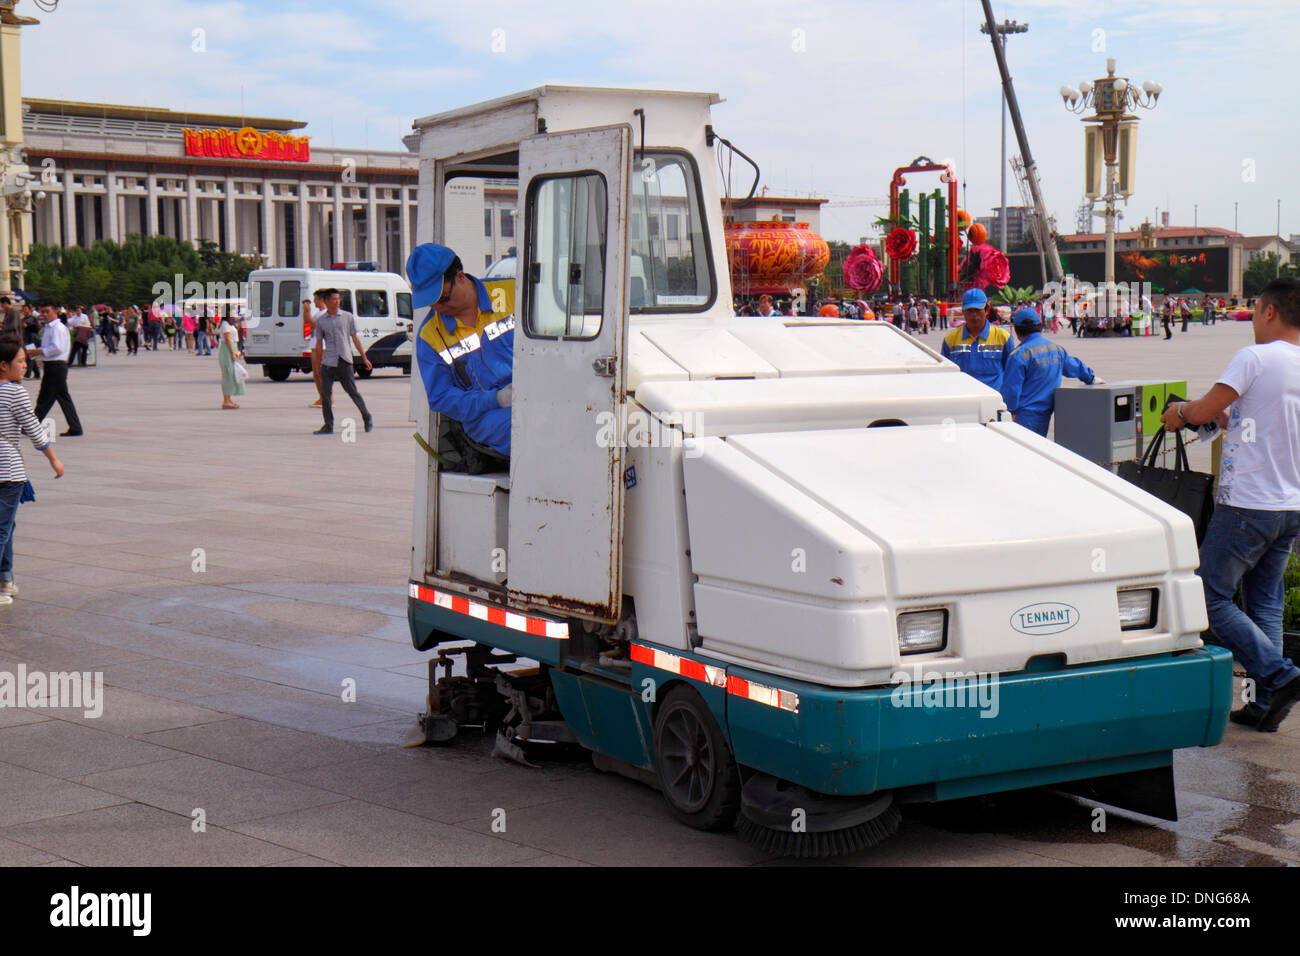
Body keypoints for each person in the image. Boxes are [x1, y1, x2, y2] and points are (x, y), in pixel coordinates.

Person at [1159, 278, 1300, 733]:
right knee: (1264, 601)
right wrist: (1224, 416)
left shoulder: (1255, 357)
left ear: (1270, 312)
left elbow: (1201, 413)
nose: (1255, 319)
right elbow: (1247, 415)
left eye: (1257, 310)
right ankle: (1262, 706)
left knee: (1209, 593)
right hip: (1290, 505)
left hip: (1248, 504)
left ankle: (1279, 677)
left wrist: (1180, 412)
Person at [408, 242, 512, 462]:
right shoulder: (430, 337)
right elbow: (441, 397)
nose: (439, 308)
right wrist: (496, 399)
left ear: (460, 277)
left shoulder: (513, 294)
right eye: (431, 303)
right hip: (485, 417)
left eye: (443, 298)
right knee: (527, 428)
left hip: (542, 399)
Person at [0, 339, 64, 603]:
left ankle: (5, 579)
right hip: (8, 472)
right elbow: (35, 432)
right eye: (20, 361)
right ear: (3, 366)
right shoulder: (15, 393)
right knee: (3, 529)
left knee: (7, 526)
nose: (25, 366)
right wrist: (54, 459)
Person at [1000, 307, 1098, 437]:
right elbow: (1075, 368)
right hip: (1045, 415)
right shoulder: (1056, 349)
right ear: (1040, 326)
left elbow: (1011, 392)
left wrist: (1004, 414)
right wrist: (1091, 378)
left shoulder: (1018, 355)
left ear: (1017, 330)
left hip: (1024, 418)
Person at [311, 288, 373, 434]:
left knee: (352, 391)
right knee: (325, 394)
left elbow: (355, 338)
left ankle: (367, 417)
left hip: (344, 359)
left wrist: (364, 358)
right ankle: (328, 425)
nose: (337, 301)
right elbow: (319, 343)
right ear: (326, 301)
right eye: (334, 299)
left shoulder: (347, 317)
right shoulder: (320, 321)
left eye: (338, 299)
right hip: (328, 361)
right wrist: (318, 364)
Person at [940, 288, 1017, 392]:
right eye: (969, 311)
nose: (974, 315)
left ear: (986, 310)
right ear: (963, 311)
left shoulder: (1003, 337)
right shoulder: (950, 339)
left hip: (993, 402)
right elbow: (945, 374)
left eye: (977, 310)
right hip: (964, 400)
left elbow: (1012, 374)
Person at [26, 305, 84, 436]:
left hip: (56, 365)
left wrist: (40, 351)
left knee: (45, 397)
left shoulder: (57, 328)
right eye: (43, 312)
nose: (44, 314)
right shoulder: (49, 328)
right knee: (62, 397)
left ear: (55, 313)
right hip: (53, 365)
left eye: (47, 312)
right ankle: (75, 427)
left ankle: (32, 426)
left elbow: (56, 348)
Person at [302, 291, 329, 408]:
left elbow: (312, 324)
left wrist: (307, 310)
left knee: (321, 373)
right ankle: (322, 397)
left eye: (316, 299)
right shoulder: (319, 313)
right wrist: (306, 311)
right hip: (315, 344)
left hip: (321, 345)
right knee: (317, 373)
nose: (314, 302)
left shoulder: (325, 313)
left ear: (321, 299)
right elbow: (307, 322)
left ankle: (327, 398)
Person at [216, 312, 245, 409]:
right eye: (232, 313)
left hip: (232, 348)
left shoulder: (229, 324)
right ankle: (226, 400)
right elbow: (227, 339)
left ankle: (229, 399)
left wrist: (240, 322)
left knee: (232, 374)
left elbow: (233, 335)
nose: (234, 315)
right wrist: (233, 352)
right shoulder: (225, 324)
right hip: (227, 349)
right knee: (228, 374)